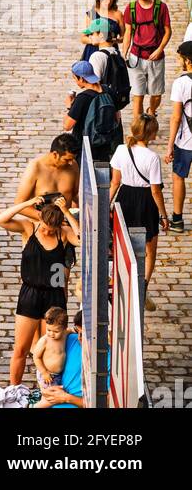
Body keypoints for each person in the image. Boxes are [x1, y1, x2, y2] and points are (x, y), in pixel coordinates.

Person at [0, 196, 79, 385]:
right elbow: (1, 219)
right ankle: (13, 389)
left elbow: (82, 237)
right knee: (21, 349)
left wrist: (66, 212)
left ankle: (48, 388)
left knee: (51, 347)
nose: (48, 230)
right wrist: (27, 203)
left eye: (52, 228)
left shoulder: (63, 234)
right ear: (40, 219)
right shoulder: (29, 228)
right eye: (46, 225)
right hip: (30, 294)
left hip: (54, 295)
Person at [110, 114, 168, 302]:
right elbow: (155, 191)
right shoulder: (152, 157)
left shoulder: (121, 149)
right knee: (150, 248)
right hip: (145, 201)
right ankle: (143, 285)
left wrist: (106, 206)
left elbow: (115, 182)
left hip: (125, 197)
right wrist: (164, 215)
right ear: (151, 134)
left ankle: (123, 279)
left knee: (123, 242)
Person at [122, 0, 172, 118]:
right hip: (136, 56)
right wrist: (125, 51)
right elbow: (128, 32)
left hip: (155, 57)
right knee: (138, 95)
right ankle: (139, 131)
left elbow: (168, 31)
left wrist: (159, 49)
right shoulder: (130, 8)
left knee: (156, 94)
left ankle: (151, 111)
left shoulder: (161, 7)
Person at [64, 60, 122, 162]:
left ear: (81, 78)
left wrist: (70, 106)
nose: (75, 81)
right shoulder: (109, 91)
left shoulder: (82, 98)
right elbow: (117, 118)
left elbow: (67, 126)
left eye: (75, 78)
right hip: (106, 145)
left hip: (86, 147)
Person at [164, 39, 192, 233]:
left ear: (188, 61)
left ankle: (177, 219)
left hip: (186, 140)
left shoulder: (181, 83)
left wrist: (169, 144)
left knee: (178, 178)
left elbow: (175, 117)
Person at [14, 135, 80, 216]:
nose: (70, 163)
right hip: (43, 224)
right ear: (55, 154)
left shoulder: (73, 165)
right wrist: (48, 220)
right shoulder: (35, 167)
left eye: (72, 159)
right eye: (66, 160)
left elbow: (75, 197)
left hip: (66, 223)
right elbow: (19, 204)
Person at [31, 307, 70, 404]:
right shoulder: (44, 341)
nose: (51, 334)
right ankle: (36, 405)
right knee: (50, 398)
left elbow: (71, 330)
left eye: (56, 331)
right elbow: (36, 357)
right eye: (48, 330)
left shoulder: (65, 334)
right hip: (48, 375)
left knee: (55, 396)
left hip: (59, 375)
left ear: (64, 328)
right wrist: (44, 372)